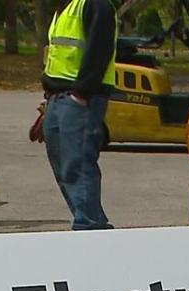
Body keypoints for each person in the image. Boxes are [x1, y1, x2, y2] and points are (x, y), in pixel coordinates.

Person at [36, 0, 117, 231]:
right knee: (64, 166)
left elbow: (99, 50)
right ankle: (93, 224)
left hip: (80, 98)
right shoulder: (63, 7)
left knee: (78, 165)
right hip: (58, 97)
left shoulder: (95, 4)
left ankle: (88, 227)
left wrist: (81, 94)